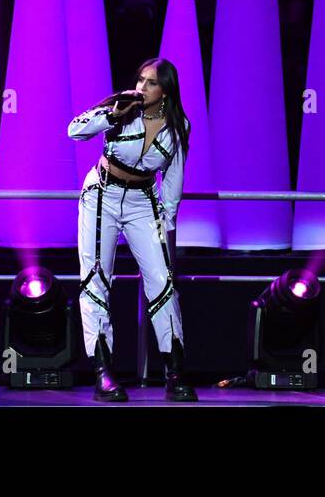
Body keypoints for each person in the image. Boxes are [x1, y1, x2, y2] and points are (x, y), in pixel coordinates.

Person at [67, 58, 196, 403]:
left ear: (166, 90)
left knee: (162, 282)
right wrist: (111, 113)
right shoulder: (121, 108)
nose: (142, 88)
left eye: (151, 83)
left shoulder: (179, 125)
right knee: (95, 279)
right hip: (102, 194)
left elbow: (173, 181)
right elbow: (74, 130)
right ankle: (103, 372)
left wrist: (166, 226)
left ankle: (175, 371)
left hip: (143, 201)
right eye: (140, 79)